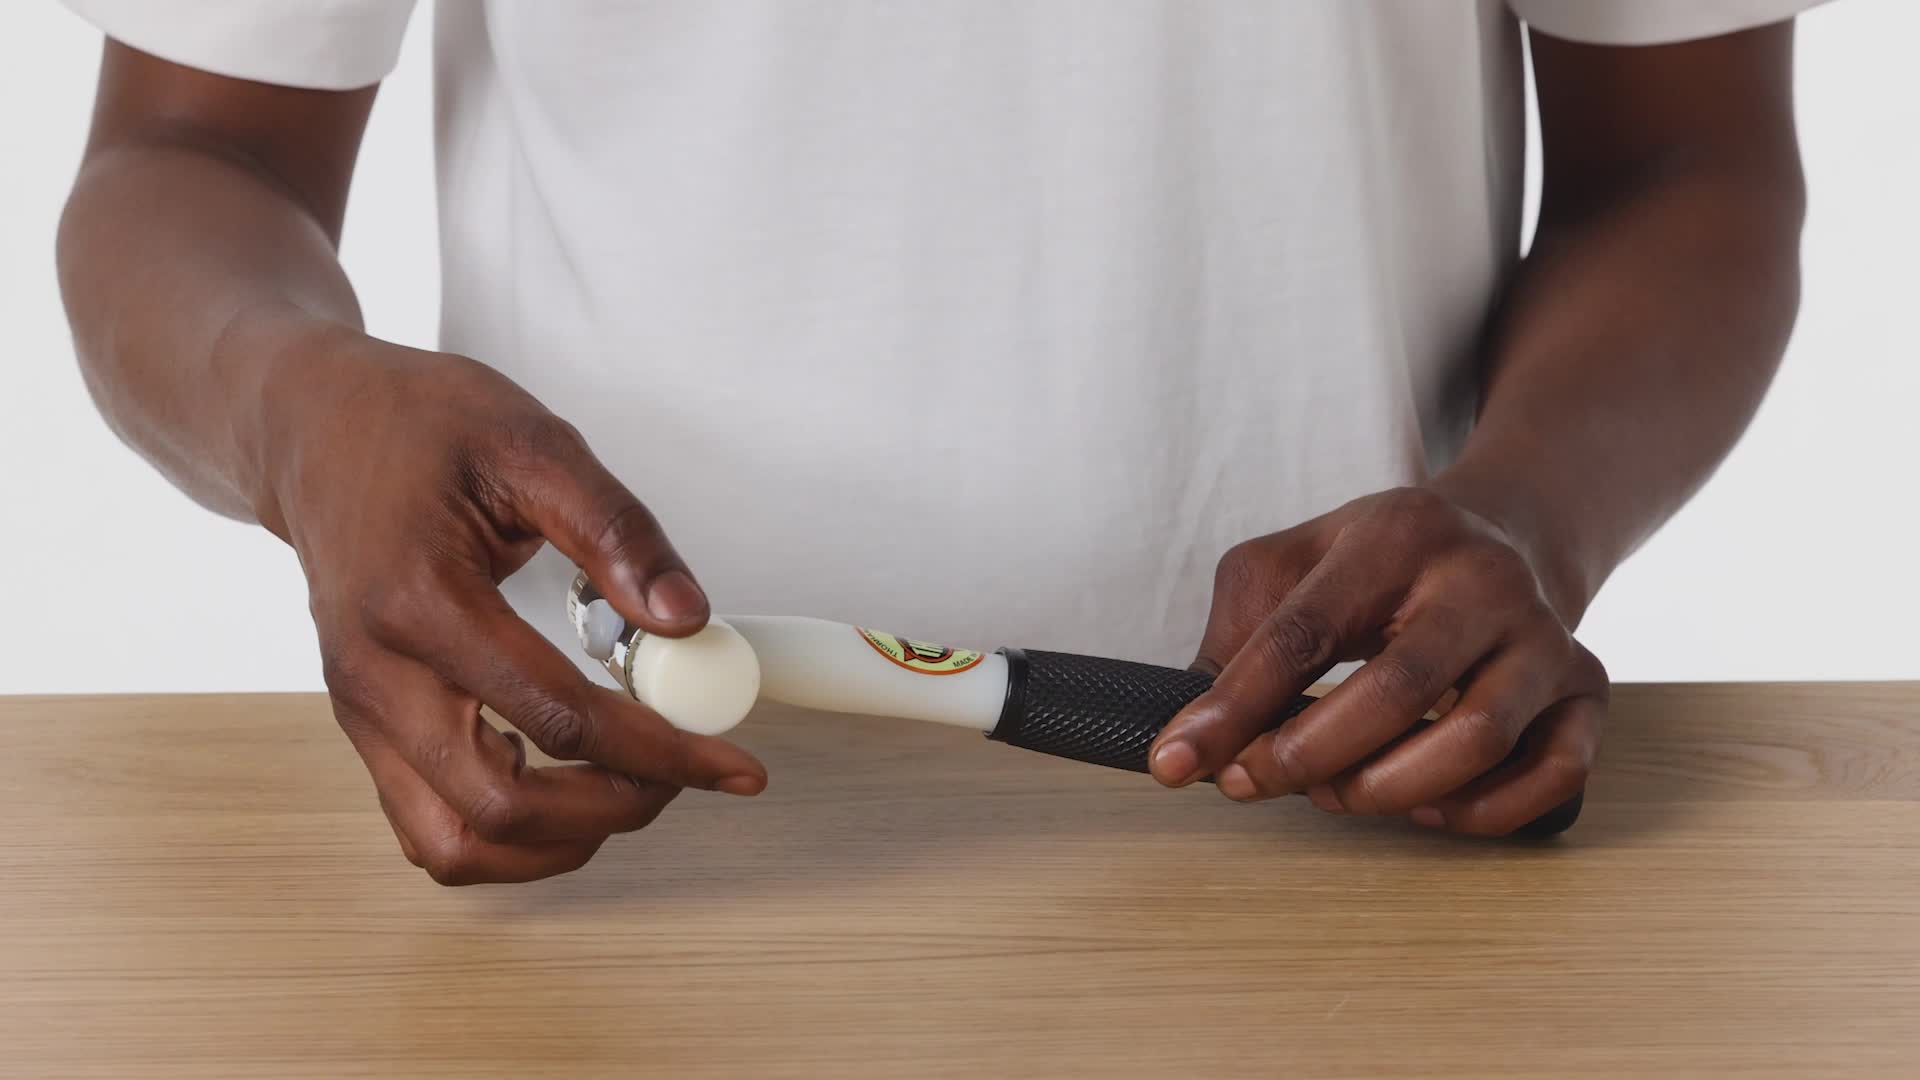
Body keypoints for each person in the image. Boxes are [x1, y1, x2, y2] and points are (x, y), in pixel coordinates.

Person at [56, 1, 1819, 884]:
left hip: (1342, 822)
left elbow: (1683, 156)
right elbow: (193, 154)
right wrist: (301, 410)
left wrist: (1526, 521)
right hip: (612, 841)